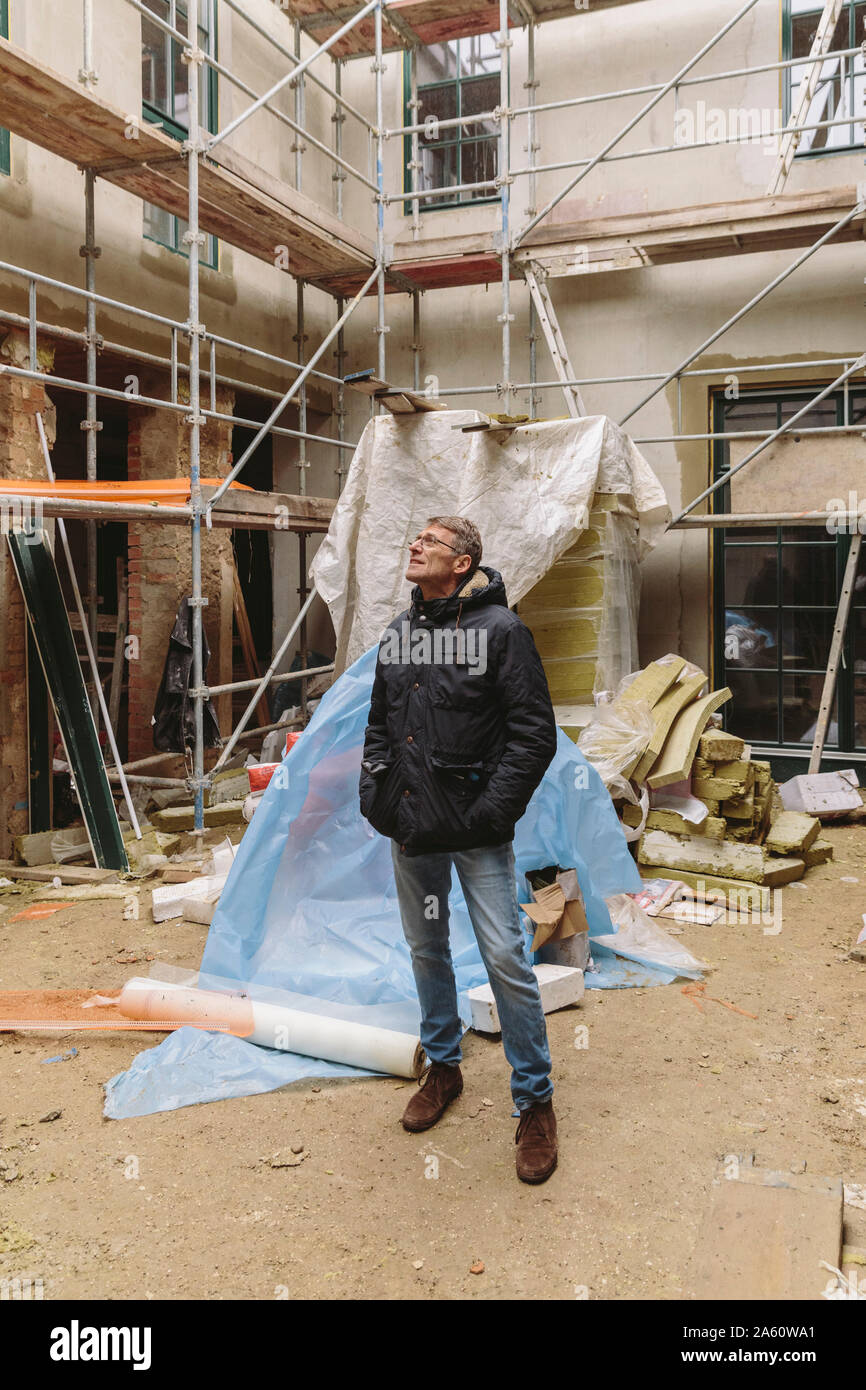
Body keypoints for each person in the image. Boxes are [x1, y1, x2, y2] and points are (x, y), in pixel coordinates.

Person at [359, 515, 559, 1183]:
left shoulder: (501, 633)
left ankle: (535, 1101)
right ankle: (443, 1069)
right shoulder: (400, 631)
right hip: (412, 821)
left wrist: (491, 812)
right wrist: (377, 791)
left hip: (475, 827)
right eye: (412, 537)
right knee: (426, 948)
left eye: (430, 543)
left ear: (464, 561)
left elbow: (533, 735)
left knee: (505, 955)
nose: (413, 546)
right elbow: (380, 722)